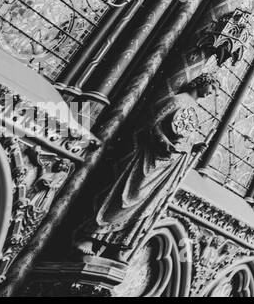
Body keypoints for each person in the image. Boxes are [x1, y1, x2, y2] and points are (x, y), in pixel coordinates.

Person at [75, 72, 219, 260]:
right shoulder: (177, 101)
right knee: (125, 196)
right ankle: (89, 236)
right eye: (213, 88)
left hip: (170, 164)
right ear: (202, 82)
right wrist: (163, 142)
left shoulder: (193, 107)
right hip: (151, 158)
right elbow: (151, 124)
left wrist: (193, 147)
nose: (212, 93)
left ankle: (117, 243)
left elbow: (181, 136)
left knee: (146, 204)